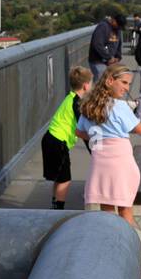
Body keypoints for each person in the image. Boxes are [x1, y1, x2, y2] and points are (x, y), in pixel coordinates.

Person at [76, 64, 141, 273]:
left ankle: (110, 255)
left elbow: (79, 132)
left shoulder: (88, 104)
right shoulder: (119, 106)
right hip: (121, 163)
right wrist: (137, 116)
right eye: (124, 83)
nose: (126, 88)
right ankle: (132, 258)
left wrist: (98, 135)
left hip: (100, 163)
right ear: (110, 81)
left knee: (107, 213)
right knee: (126, 211)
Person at [42, 66, 93, 209]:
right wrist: (94, 150)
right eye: (91, 82)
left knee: (59, 178)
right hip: (58, 142)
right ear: (85, 85)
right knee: (64, 180)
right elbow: (83, 129)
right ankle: (58, 210)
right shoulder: (77, 103)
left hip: (51, 139)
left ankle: (54, 206)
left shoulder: (71, 97)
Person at [88, 13, 123, 81]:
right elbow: (97, 44)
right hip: (98, 61)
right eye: (118, 25)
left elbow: (118, 43)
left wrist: (118, 57)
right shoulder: (103, 26)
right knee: (100, 83)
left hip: (110, 62)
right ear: (114, 21)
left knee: (111, 84)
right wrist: (109, 58)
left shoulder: (117, 29)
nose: (119, 28)